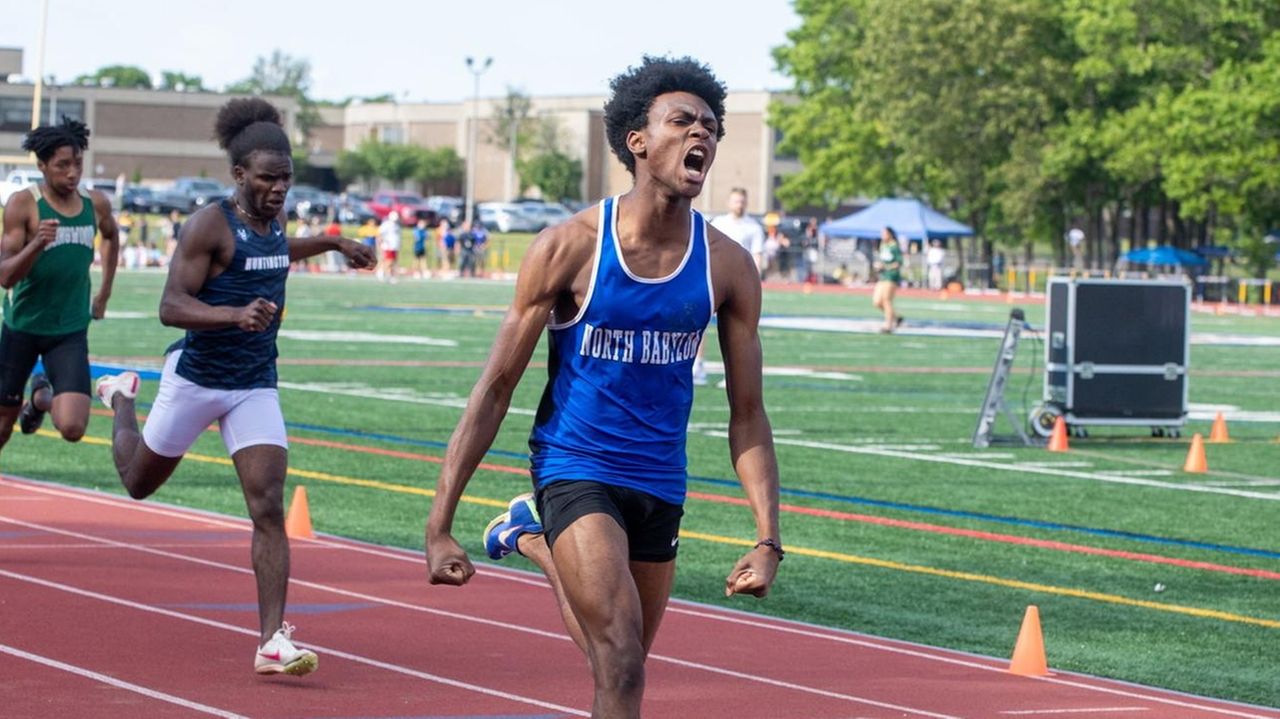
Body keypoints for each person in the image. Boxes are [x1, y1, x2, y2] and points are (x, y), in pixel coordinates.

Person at [425, 56, 782, 719]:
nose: (699, 133)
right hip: (574, 462)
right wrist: (440, 521)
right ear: (636, 141)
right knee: (619, 659)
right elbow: (496, 387)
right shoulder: (571, 248)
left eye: (710, 125)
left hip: (660, 480)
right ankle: (543, 521)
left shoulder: (729, 266)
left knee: (619, 660)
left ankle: (531, 538)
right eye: (681, 120)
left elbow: (749, 414)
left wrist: (768, 537)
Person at [94, 98, 375, 678]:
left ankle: (272, 641)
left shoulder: (273, 224)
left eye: (287, 179)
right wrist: (232, 316)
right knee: (137, 482)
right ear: (239, 175)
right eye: (268, 179)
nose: (279, 189)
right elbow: (170, 306)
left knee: (268, 505)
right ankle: (122, 398)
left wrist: (333, 243)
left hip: (253, 387)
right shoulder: (208, 225)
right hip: (196, 380)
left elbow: (275, 251)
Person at [0, 117, 119, 457]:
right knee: (2, 427)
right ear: (42, 166)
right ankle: (37, 394)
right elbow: (5, 276)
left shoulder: (94, 203)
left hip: (68, 329)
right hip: (22, 327)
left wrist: (104, 292)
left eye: (77, 164)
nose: (72, 173)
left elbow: (112, 237)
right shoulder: (24, 205)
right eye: (62, 166)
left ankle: (41, 398)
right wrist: (36, 244)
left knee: (72, 427)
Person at [693, 187, 765, 384]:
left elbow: (757, 258)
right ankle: (698, 366)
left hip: (740, 285)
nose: (738, 205)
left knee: (738, 332)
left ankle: (733, 376)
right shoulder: (719, 224)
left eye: (741, 201)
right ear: (729, 203)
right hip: (715, 282)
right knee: (701, 325)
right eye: (735, 201)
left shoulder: (754, 227)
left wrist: (752, 285)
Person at [872, 226, 904, 333]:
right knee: (877, 302)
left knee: (886, 300)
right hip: (883, 276)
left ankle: (888, 325)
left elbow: (899, 263)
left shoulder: (894, 246)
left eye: (884, 233)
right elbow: (883, 260)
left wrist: (886, 267)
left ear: (890, 234)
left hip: (891, 276)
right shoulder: (883, 245)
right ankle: (896, 317)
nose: (882, 235)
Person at [376, 211, 400, 282]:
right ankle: (385, 273)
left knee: (393, 262)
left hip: (395, 247)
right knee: (388, 261)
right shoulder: (386, 224)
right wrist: (380, 244)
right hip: (388, 246)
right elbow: (380, 234)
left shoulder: (397, 226)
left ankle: (388, 274)